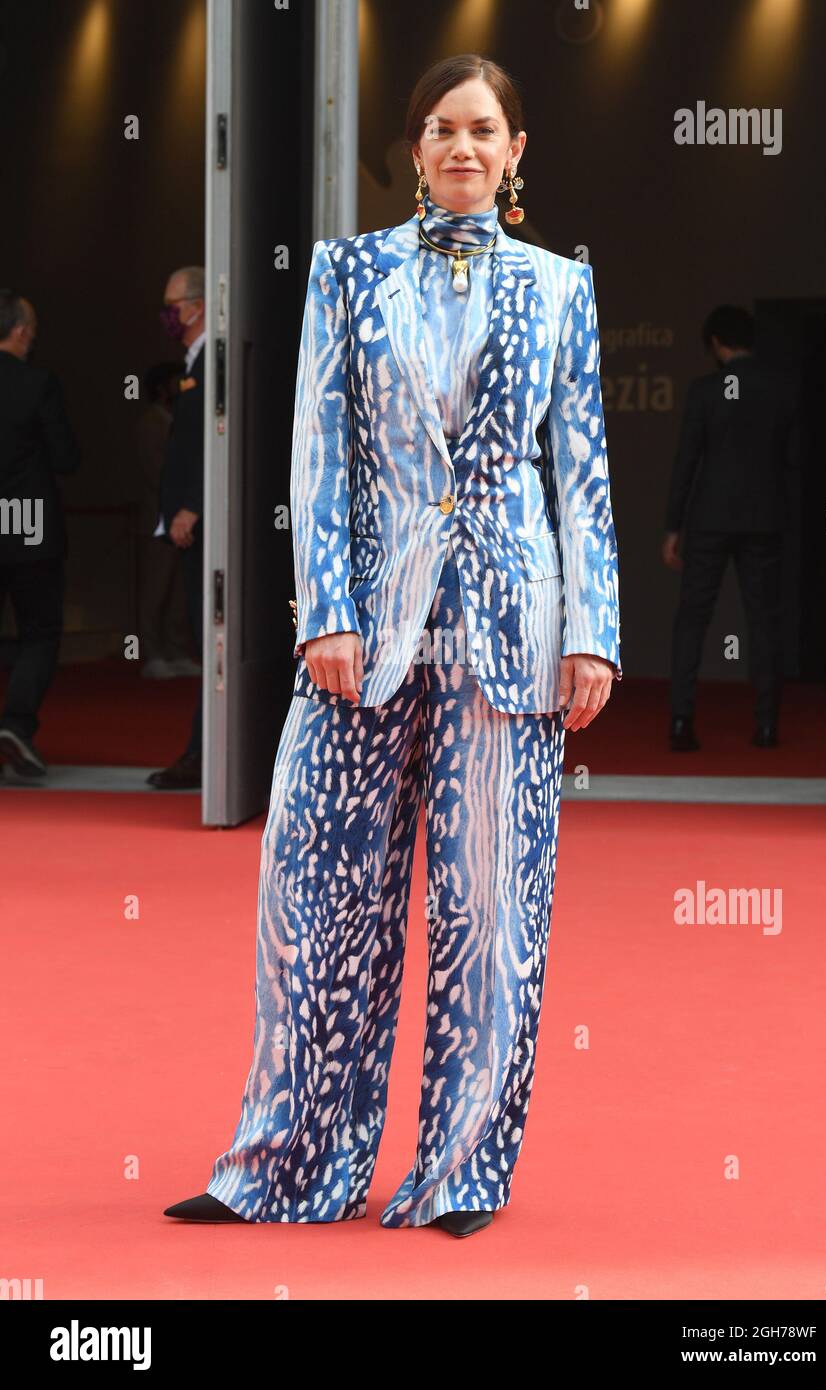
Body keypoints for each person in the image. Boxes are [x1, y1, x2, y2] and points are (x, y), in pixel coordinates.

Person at [165, 54, 621, 1237]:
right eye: (437, 129)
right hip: (366, 633)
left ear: (516, 151)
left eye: (481, 129)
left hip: (508, 631)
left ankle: (459, 1175)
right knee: (313, 897)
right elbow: (318, 454)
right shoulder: (346, 273)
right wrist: (324, 609)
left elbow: (580, 476)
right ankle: (286, 1164)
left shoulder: (559, 287)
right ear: (410, 149)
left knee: (490, 909)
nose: (459, 147)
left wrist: (593, 635)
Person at [662, 305, 799, 751]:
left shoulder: (705, 390)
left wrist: (672, 526)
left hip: (708, 520)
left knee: (693, 621)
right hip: (763, 520)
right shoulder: (779, 388)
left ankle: (681, 723)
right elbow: (792, 463)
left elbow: (685, 461)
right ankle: (767, 726)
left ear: (717, 345)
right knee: (763, 622)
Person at [0, 288, 80, 778]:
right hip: (26, 518)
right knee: (40, 630)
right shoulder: (37, 383)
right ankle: (15, 723)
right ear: (20, 331)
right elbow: (67, 458)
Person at [147, 267, 206, 790]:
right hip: (186, 525)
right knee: (202, 635)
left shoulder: (213, 359)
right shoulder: (193, 362)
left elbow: (217, 443)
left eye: (174, 303)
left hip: (203, 527)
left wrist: (193, 506)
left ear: (200, 304)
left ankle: (204, 754)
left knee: (211, 640)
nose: (169, 313)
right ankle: (202, 751)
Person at [134, 362, 197, 679]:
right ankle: (152, 653)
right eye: (175, 382)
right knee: (155, 588)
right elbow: (156, 471)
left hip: (178, 516)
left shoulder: (176, 419)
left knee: (177, 589)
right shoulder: (150, 422)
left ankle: (176, 650)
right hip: (156, 518)